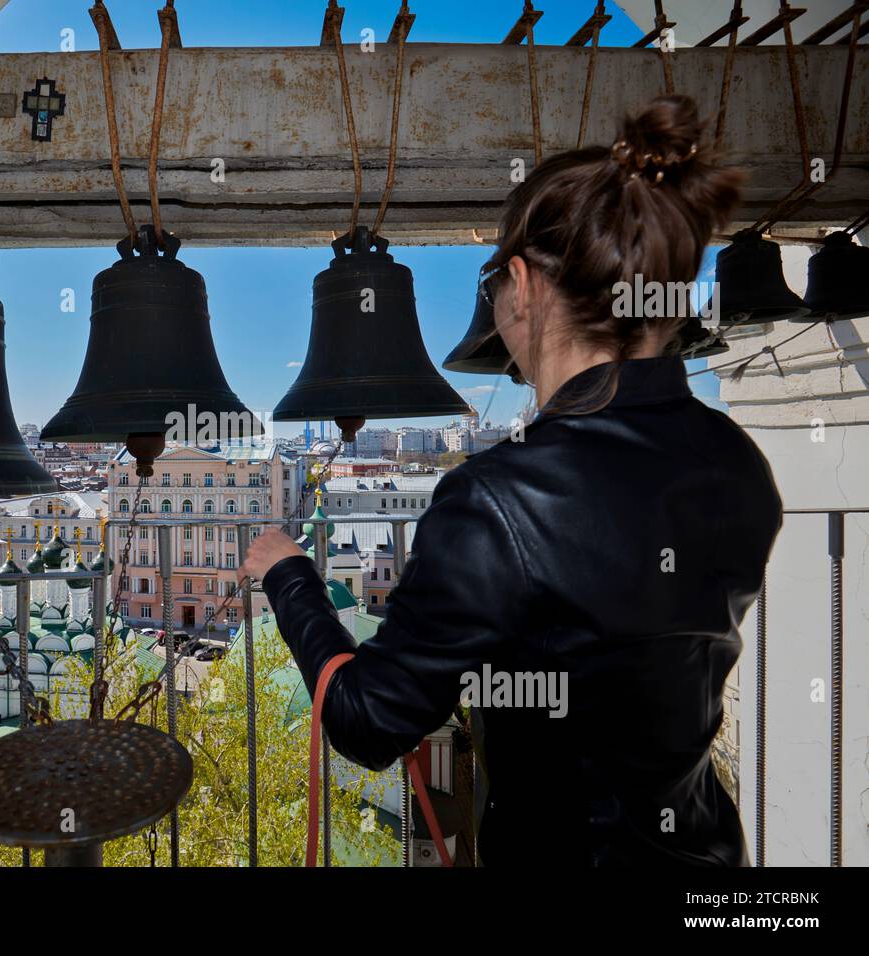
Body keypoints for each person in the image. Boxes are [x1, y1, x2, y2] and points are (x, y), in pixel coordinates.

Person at [239, 95, 782, 866]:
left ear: (521, 287)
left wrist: (290, 573)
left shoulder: (499, 501)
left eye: (496, 282)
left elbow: (369, 722)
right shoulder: (736, 462)